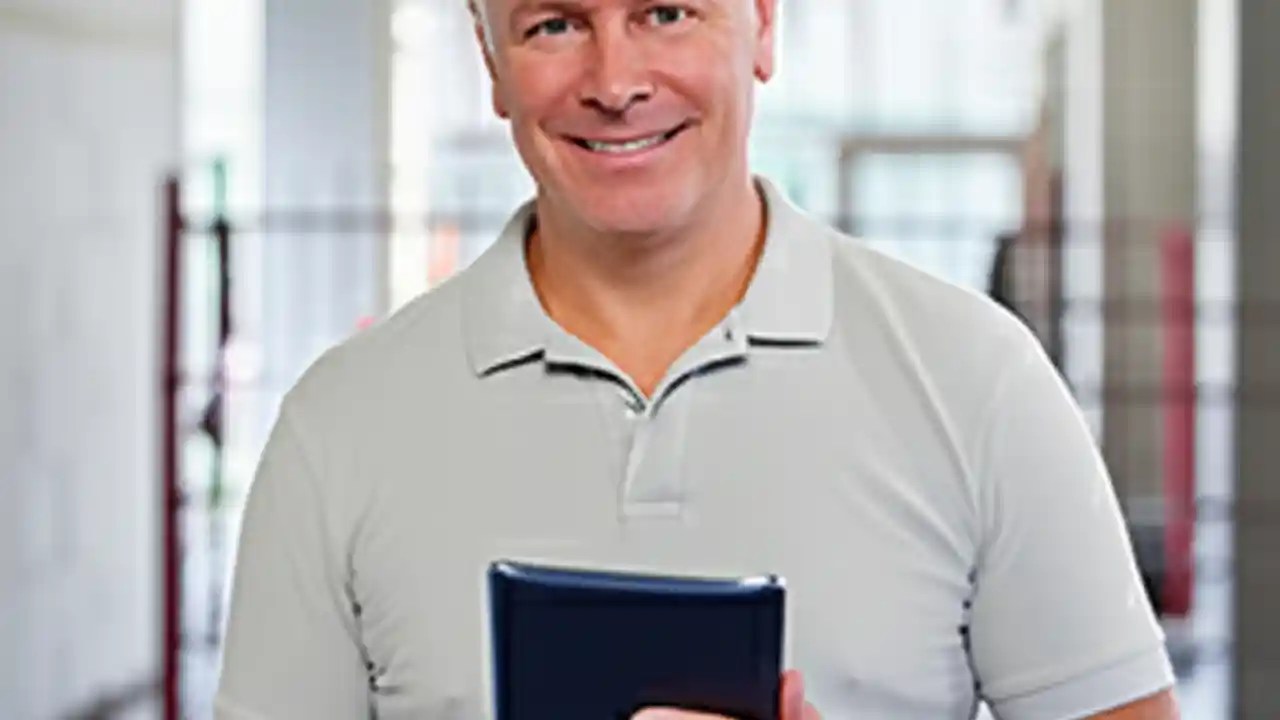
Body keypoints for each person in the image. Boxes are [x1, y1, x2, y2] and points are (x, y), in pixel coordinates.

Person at [214, 1, 1181, 718]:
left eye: (666, 12)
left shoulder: (977, 381)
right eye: (554, 24)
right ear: (491, 60)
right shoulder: (339, 427)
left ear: (763, 26)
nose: (616, 80)